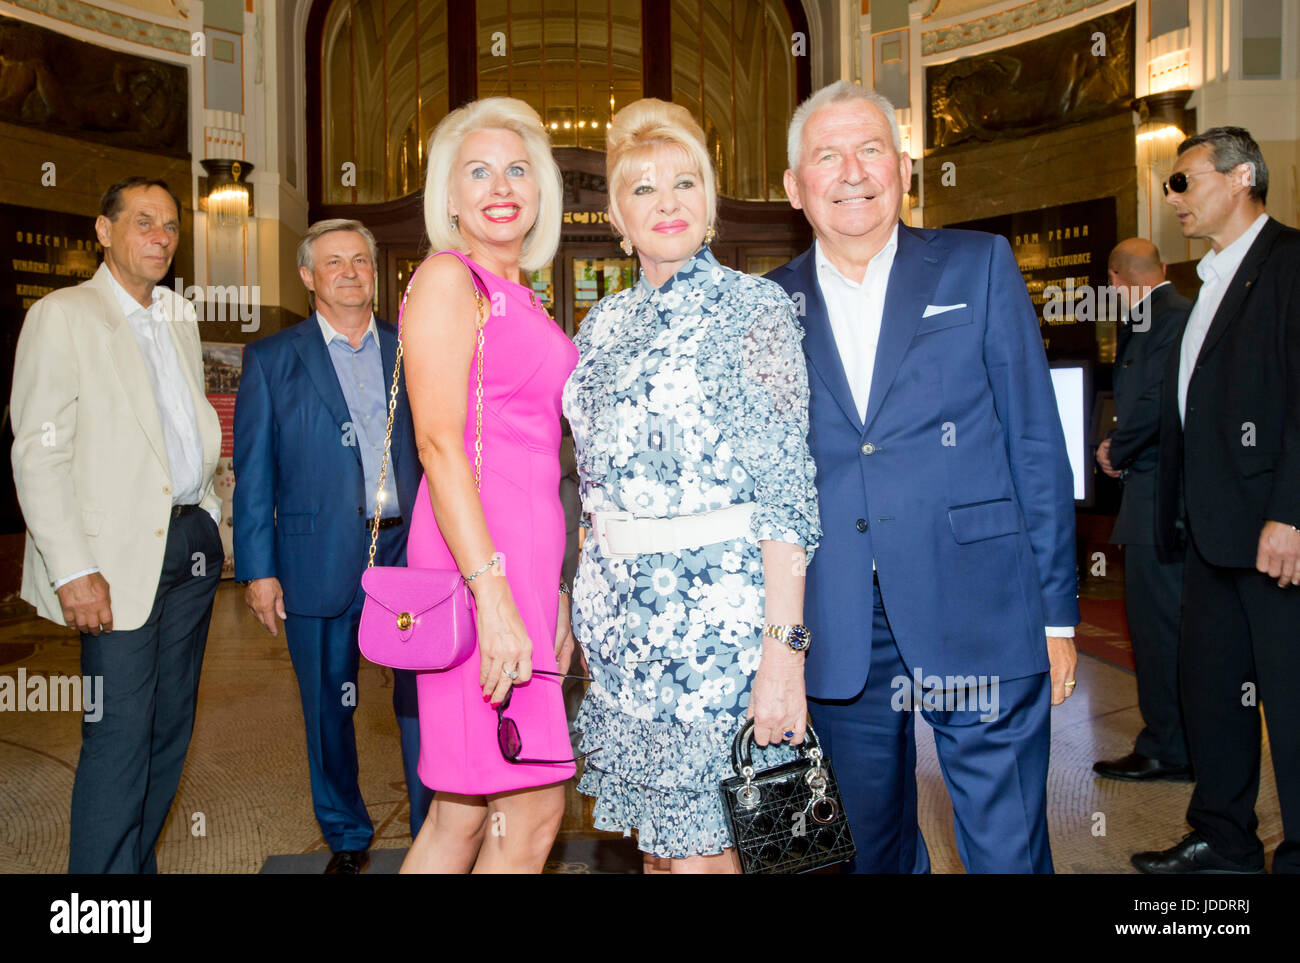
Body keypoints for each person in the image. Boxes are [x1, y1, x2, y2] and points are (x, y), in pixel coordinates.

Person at [767, 81, 1079, 874]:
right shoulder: (766, 306)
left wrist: (1056, 615)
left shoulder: (977, 265)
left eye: (871, 149)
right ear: (793, 187)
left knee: (1008, 851)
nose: (852, 171)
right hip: (840, 624)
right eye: (827, 156)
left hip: (984, 605)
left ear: (904, 168)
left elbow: (1034, 442)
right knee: (868, 852)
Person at [563, 98, 821, 874]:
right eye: (643, 189)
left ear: (710, 204)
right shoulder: (601, 324)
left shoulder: (752, 308)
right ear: (616, 213)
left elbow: (787, 492)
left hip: (714, 630)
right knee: (660, 853)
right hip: (618, 629)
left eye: (685, 183)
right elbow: (593, 479)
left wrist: (784, 657)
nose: (666, 202)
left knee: (713, 856)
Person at [11, 176, 224, 873]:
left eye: (169, 225)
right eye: (142, 222)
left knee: (167, 731)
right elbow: (39, 451)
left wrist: (212, 519)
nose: (160, 236)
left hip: (188, 545)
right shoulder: (62, 315)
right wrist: (72, 567)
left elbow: (182, 429)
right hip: (111, 561)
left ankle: (132, 873)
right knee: (119, 734)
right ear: (104, 232)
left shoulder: (177, 316)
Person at [398, 97, 578, 874]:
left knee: (464, 813)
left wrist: (554, 594)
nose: (499, 184)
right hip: (478, 574)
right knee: (529, 809)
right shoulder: (447, 278)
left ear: (539, 190)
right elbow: (438, 444)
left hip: (522, 579)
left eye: (516, 167)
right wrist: (493, 594)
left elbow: (538, 458)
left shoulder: (525, 296)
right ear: (448, 196)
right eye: (477, 170)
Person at [232, 218, 431, 874]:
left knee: (421, 698)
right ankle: (346, 832)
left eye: (361, 261)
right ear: (308, 276)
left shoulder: (412, 350)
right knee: (329, 705)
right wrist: (258, 569)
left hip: (409, 553)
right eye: (334, 262)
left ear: (376, 273)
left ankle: (435, 826)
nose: (350, 272)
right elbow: (253, 471)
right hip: (315, 559)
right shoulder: (271, 360)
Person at [1136, 126, 1300, 874]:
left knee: (1291, 700)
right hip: (1207, 532)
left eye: (1183, 180)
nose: (1172, 197)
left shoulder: (1291, 263)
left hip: (1274, 531)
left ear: (1240, 178)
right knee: (1214, 693)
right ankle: (1225, 838)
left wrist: (1291, 512)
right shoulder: (1204, 279)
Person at [1092, 239, 1193, 783]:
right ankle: (1180, 741)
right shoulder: (1172, 314)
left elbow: (1157, 402)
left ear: (1117, 278)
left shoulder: (1165, 318)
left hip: (1160, 498)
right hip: (1159, 494)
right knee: (1167, 629)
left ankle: (1168, 748)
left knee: (1158, 632)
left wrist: (1115, 448)